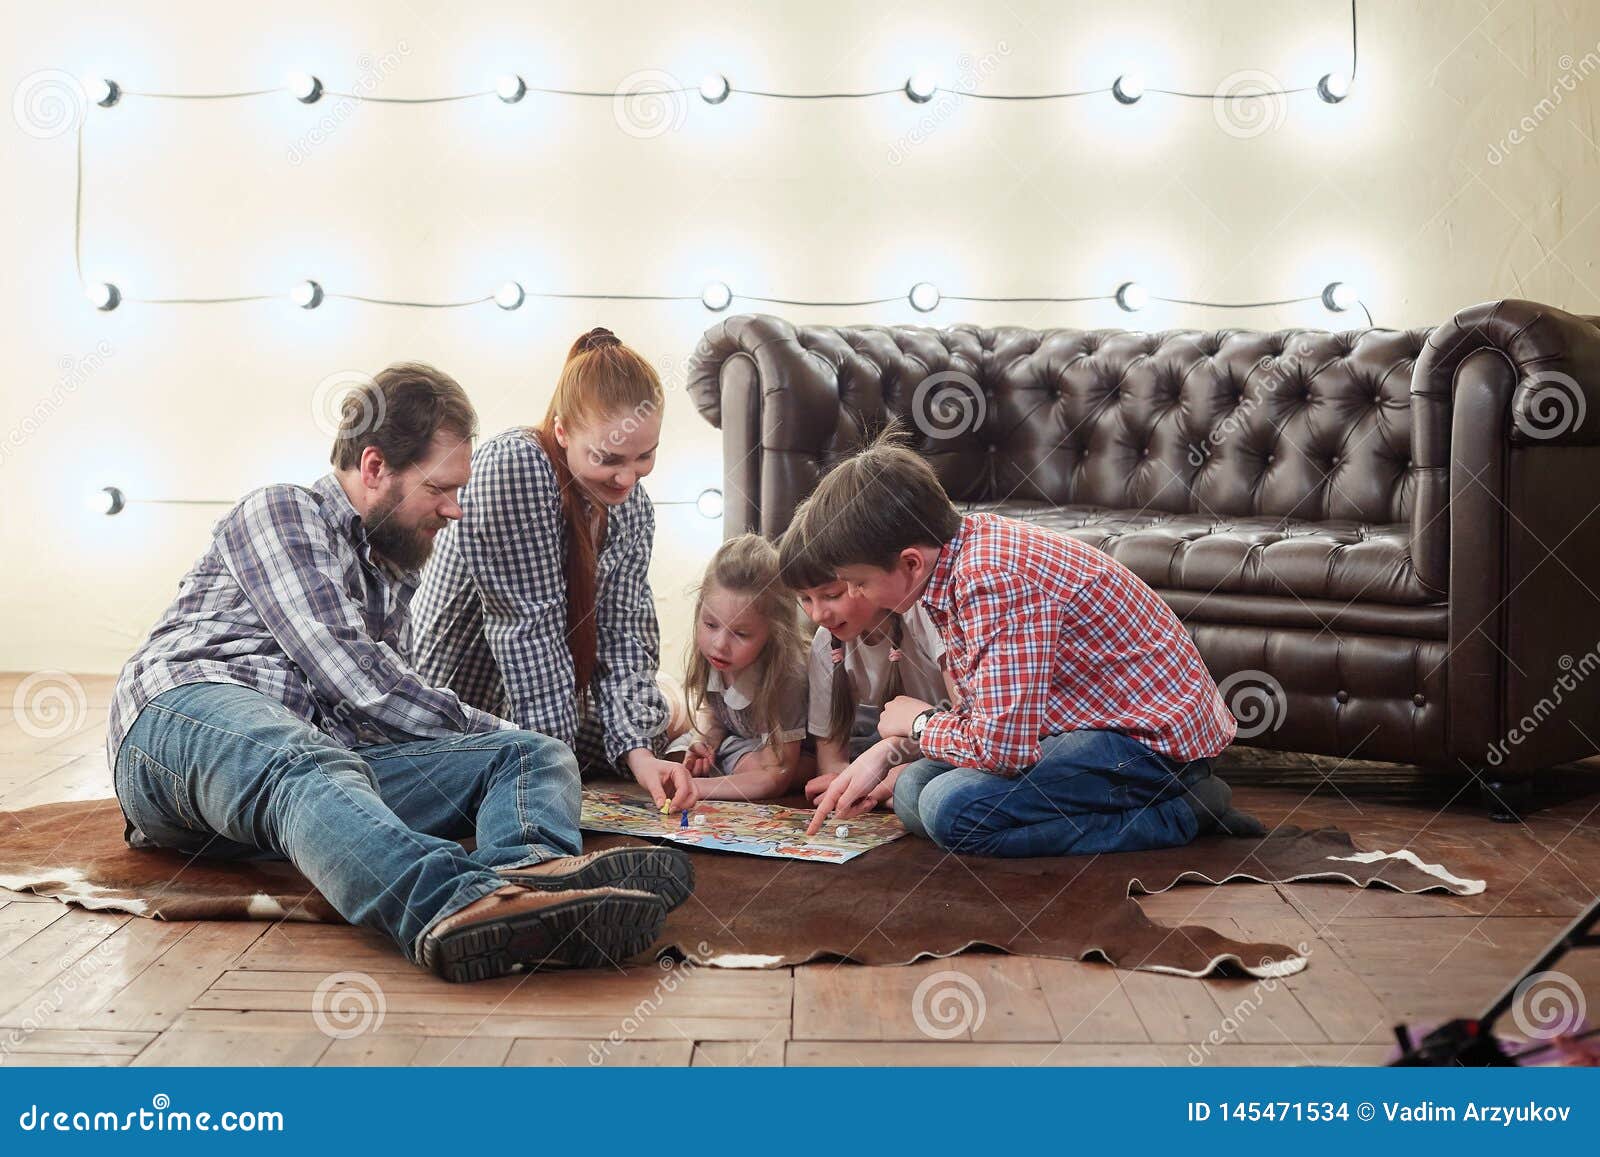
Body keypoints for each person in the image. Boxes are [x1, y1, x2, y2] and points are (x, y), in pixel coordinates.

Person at [107, 363, 690, 983]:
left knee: (531, 754)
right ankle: (459, 905)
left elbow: (376, 727)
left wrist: (495, 745)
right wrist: (472, 726)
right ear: (375, 466)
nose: (456, 510)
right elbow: (360, 682)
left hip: (301, 791)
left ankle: (533, 879)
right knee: (304, 763)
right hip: (181, 724)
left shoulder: (391, 577)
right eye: (440, 489)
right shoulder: (281, 511)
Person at [789, 428, 1263, 852]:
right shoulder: (954, 559)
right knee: (913, 791)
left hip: (1149, 747)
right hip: (1080, 729)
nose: (855, 595)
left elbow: (1002, 749)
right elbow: (989, 713)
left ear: (910, 562)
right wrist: (882, 754)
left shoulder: (989, 580)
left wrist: (919, 723)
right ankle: (1141, 805)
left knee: (950, 811)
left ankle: (1180, 811)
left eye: (857, 582)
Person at [413, 329, 693, 810]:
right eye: (607, 458)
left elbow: (624, 636)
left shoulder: (632, 509)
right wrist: (552, 779)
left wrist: (641, 755)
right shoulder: (516, 466)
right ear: (562, 432)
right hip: (460, 707)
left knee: (654, 719)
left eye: (644, 456)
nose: (628, 478)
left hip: (545, 701)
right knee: (656, 712)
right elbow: (529, 638)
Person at [779, 531, 951, 809]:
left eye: (832, 595)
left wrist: (885, 777)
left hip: (945, 746)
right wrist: (846, 783)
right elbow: (831, 757)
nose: (817, 615)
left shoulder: (924, 616)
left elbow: (970, 724)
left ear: (860, 577)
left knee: (918, 795)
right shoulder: (826, 643)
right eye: (806, 599)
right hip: (881, 755)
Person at [675, 535, 813, 801]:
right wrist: (706, 741)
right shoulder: (715, 657)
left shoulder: (787, 676)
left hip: (797, 751)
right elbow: (714, 712)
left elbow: (778, 774)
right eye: (710, 625)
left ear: (774, 633)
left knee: (751, 765)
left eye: (740, 633)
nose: (719, 644)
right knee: (679, 755)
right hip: (746, 743)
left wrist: (698, 790)